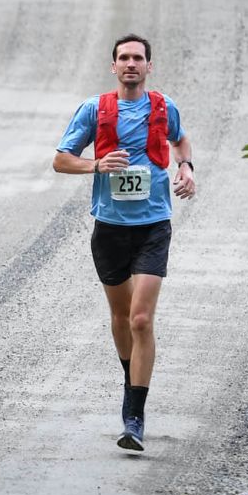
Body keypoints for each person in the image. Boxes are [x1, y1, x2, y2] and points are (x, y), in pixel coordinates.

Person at [53, 32, 195, 452]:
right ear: (113, 67)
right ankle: (130, 379)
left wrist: (186, 167)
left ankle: (134, 414)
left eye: (138, 58)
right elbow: (60, 159)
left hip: (154, 225)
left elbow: (180, 139)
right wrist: (96, 164)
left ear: (149, 66)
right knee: (120, 318)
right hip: (111, 228)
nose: (131, 64)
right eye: (124, 58)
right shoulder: (94, 110)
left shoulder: (163, 107)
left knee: (140, 320)